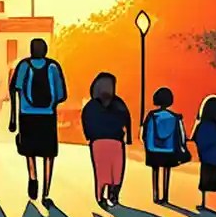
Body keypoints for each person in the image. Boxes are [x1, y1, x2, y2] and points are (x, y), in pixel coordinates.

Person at [9, 38, 67, 204]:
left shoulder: (24, 65)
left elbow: (14, 89)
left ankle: (32, 177)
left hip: (27, 114)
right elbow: (62, 95)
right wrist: (51, 103)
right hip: (48, 115)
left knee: (30, 149)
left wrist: (13, 117)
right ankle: (46, 192)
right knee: (49, 153)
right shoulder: (53, 66)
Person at [81, 72, 132, 207]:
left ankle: (100, 196)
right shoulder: (119, 103)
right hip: (116, 140)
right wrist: (128, 137)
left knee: (100, 171)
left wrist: (89, 136)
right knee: (116, 169)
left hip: (97, 142)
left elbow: (86, 121)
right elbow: (127, 120)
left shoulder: (91, 105)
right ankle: (113, 194)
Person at [141, 86, 189, 206]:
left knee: (155, 171)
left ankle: (155, 195)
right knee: (167, 171)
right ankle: (165, 196)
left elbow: (144, 132)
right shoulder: (175, 117)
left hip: (153, 148)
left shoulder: (152, 115)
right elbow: (181, 135)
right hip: (169, 148)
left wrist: (146, 143)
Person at [192, 94, 216, 210]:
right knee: (213, 177)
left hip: (207, 157)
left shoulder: (203, 125)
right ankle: (210, 199)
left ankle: (204, 202)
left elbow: (196, 138)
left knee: (205, 179)